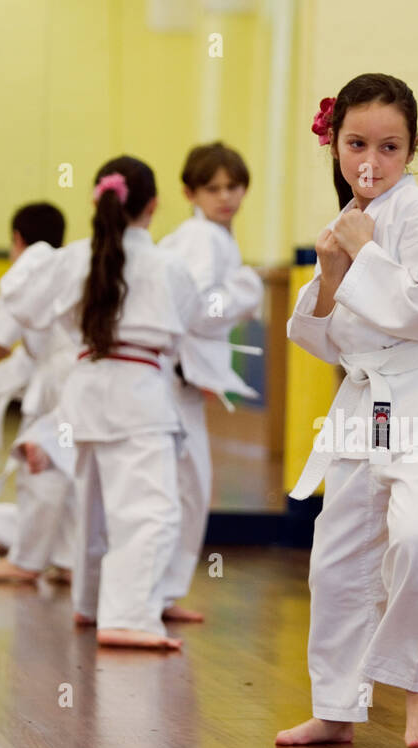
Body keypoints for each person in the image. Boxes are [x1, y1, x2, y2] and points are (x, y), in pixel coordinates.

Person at [275, 74, 418, 748]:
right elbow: (317, 337)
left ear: (411, 150)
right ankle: (336, 707)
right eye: (357, 143)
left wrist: (361, 251)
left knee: (417, 538)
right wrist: (333, 274)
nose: (371, 161)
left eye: (389, 147)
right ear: (334, 146)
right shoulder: (345, 225)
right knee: (337, 557)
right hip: (368, 403)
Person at [0, 157, 206, 648]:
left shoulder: (72, 257)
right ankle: (129, 618)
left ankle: (90, 604)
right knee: (149, 512)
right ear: (153, 206)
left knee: (91, 505)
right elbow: (190, 319)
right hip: (138, 393)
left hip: (85, 388)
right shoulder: (166, 266)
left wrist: (38, 255)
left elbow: (21, 302)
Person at [156, 142, 264, 622]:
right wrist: (246, 291)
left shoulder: (202, 236)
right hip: (169, 378)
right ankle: (157, 594)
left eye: (233, 186)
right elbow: (200, 309)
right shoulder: (204, 238)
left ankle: (159, 593)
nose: (226, 196)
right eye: (212, 188)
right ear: (189, 192)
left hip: (170, 377)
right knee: (188, 486)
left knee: (184, 485)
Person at [0, 202, 76, 583]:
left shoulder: (33, 262)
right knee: (70, 474)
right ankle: (70, 562)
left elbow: (1, 342)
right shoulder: (65, 265)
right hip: (75, 381)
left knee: (39, 469)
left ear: (17, 239)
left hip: (60, 388)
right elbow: (37, 351)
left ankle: (26, 561)